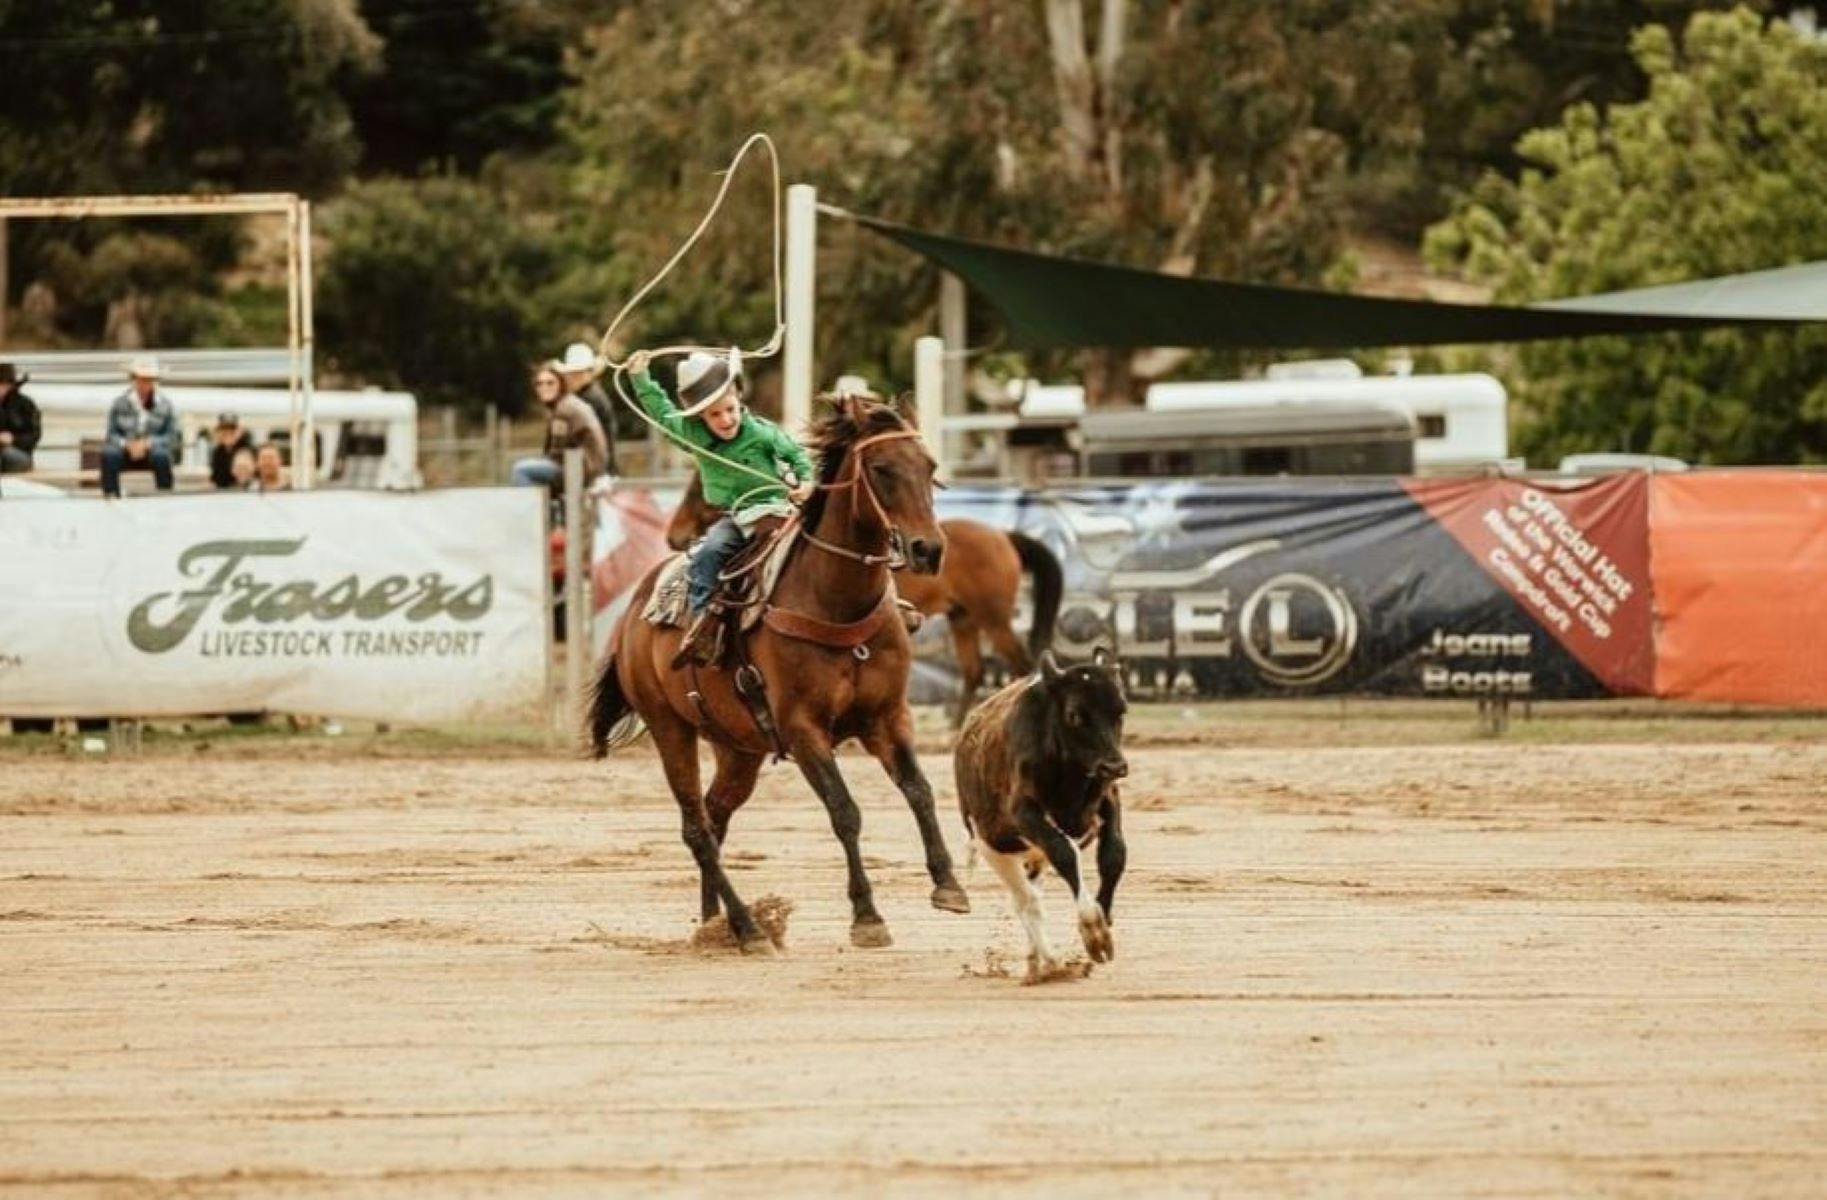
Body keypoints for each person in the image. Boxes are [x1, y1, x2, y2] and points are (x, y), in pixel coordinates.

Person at [628, 347, 815, 667]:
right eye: (715, 415)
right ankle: (703, 625)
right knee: (709, 552)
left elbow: (796, 455)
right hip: (735, 516)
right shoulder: (693, 436)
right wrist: (640, 377)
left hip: (775, 509)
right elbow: (660, 412)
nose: (726, 419)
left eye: (730, 409)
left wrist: (806, 481)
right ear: (701, 417)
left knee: (822, 541)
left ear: (739, 399)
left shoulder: (760, 431)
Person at [510, 362, 609, 489]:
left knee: (521, 470)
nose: (544, 387)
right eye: (539, 384)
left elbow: (555, 452)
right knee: (536, 467)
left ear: (561, 384)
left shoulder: (563, 410)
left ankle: (529, 508)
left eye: (550, 383)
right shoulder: (569, 403)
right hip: (586, 466)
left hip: (583, 470)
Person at [101, 356, 179, 497]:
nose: (145, 384)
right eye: (141, 379)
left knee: (162, 457)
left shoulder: (165, 405)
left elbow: (172, 436)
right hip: (125, 452)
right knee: (109, 455)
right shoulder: (119, 403)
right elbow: (111, 434)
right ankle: (111, 496)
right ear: (134, 379)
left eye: (149, 380)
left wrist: (148, 444)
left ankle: (165, 496)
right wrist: (127, 444)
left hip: (153, 452)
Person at [556, 342, 620, 476]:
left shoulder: (589, 400)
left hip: (594, 468)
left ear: (589, 373)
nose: (573, 377)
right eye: (572, 373)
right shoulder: (587, 396)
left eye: (579, 373)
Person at [0, 363, 41, 474]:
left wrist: (13, 439)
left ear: (9, 385)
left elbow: (34, 436)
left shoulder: (25, 405)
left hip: (18, 454)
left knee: (7, 455)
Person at [208, 412, 255, 489]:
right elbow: (215, 477)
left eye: (232, 428)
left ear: (239, 431)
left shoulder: (247, 449)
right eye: (224, 428)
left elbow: (248, 477)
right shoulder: (217, 451)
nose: (228, 432)